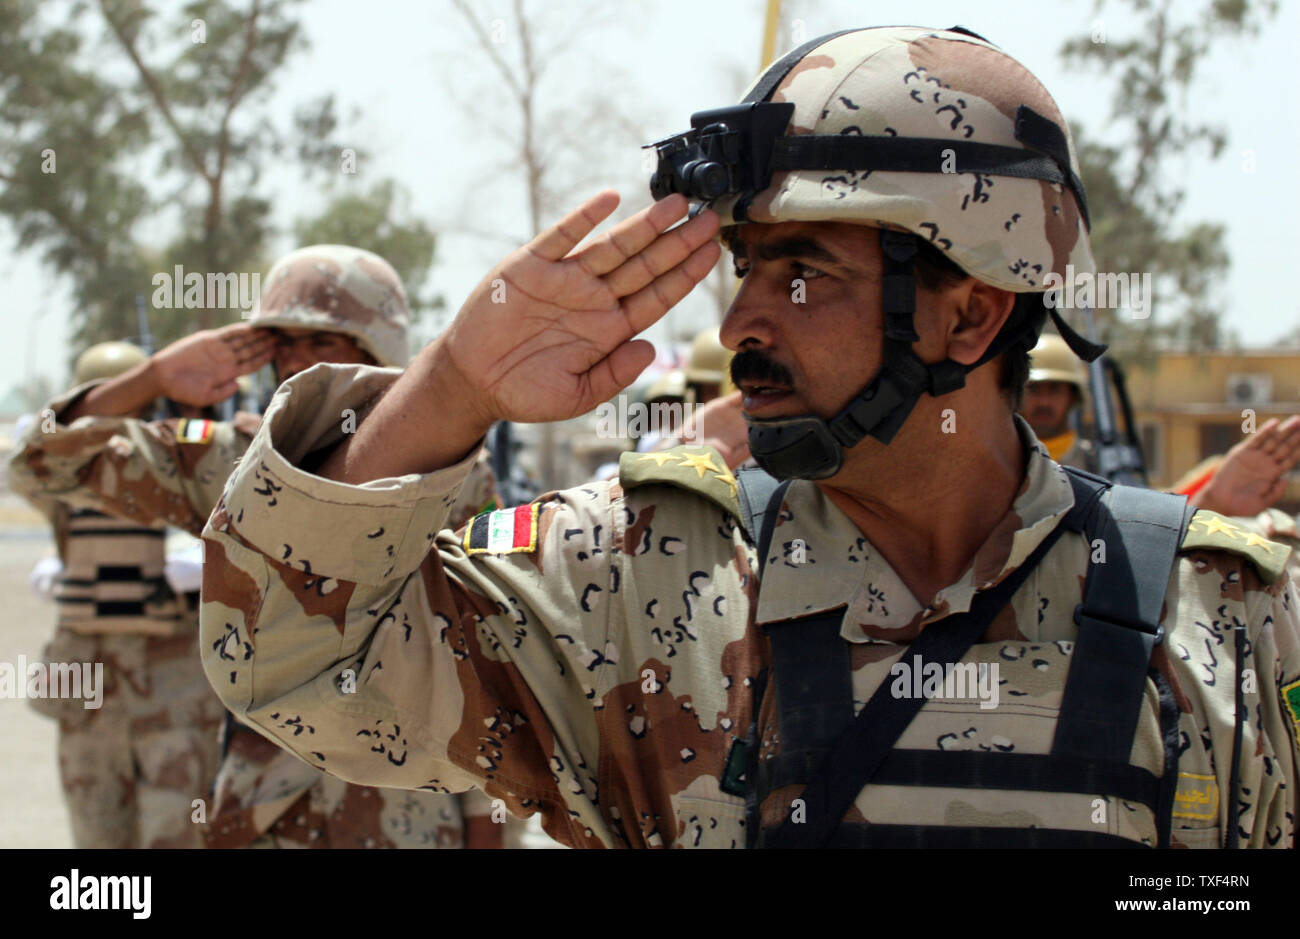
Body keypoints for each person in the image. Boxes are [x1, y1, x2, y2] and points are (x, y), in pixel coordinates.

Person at [198, 27, 1299, 848]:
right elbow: (291, 664)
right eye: (746, 271)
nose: (739, 327)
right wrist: (451, 388)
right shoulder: (635, 579)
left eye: (806, 273)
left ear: (971, 314)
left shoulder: (1230, 617)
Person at [9, 245, 501, 848]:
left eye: (321, 343)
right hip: (267, 813)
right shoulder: (236, 462)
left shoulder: (459, 474)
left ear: (376, 347)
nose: (296, 360)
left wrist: (485, 827)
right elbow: (39, 463)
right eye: (283, 343)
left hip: (411, 812)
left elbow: (484, 654)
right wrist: (153, 378)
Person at [11, 340, 223, 849]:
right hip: (86, 681)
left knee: (177, 833)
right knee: (97, 839)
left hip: (173, 682)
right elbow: (28, 459)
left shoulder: (185, 460)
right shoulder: (64, 473)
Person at [1018, 334, 1098, 472]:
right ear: (1016, 395)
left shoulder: (1097, 462)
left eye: (1055, 389)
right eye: (1033, 388)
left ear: (1073, 396)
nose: (1044, 402)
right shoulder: (998, 462)